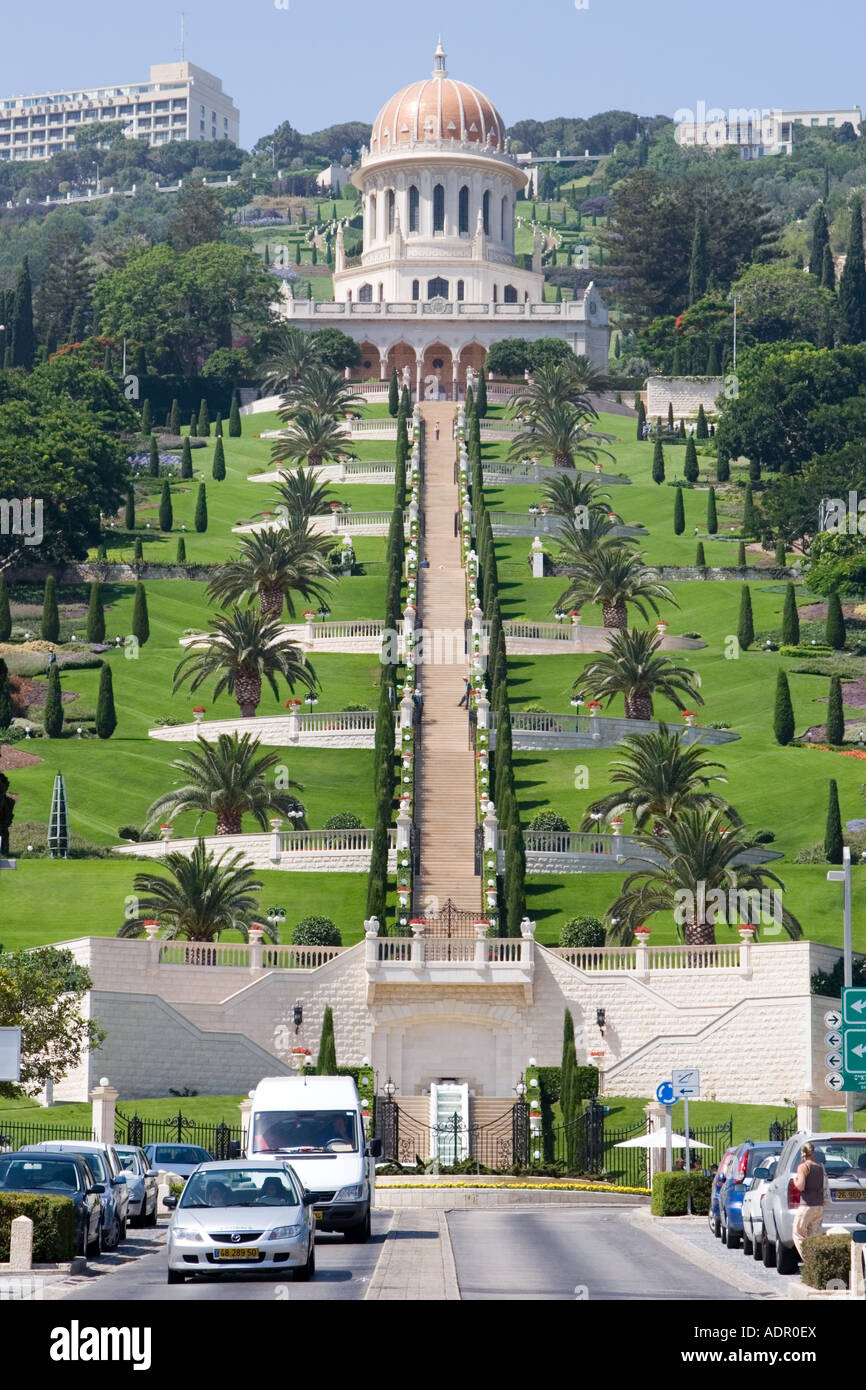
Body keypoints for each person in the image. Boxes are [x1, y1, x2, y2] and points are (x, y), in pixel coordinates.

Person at [791, 1141, 830, 1259]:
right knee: (814, 1237)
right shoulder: (819, 1167)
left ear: (803, 1153)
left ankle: (809, 1259)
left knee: (798, 1233)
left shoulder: (803, 1167)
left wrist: (795, 1181)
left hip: (807, 1206)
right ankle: (816, 1260)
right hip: (819, 1206)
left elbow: (801, 1185)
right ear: (813, 1153)